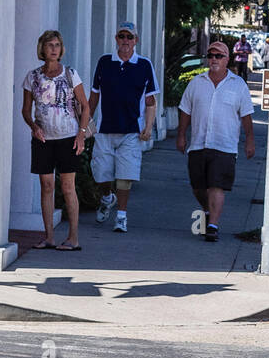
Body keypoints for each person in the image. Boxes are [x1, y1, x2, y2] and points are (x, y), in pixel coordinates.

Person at [176, 40, 255, 243]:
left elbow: (246, 116)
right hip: (198, 143)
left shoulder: (238, 85)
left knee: (216, 186)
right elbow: (185, 110)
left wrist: (249, 141)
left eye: (218, 56)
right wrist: (181, 135)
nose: (214, 59)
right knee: (198, 186)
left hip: (225, 146)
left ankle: (213, 225)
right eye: (211, 55)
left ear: (227, 59)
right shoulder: (196, 83)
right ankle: (207, 210)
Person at [20, 30, 89, 251]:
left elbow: (85, 106)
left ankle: (73, 238)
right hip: (43, 139)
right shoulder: (33, 77)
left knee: (68, 187)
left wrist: (81, 133)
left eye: (57, 45)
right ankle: (49, 236)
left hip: (68, 137)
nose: (53, 49)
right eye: (49, 45)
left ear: (61, 49)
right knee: (46, 185)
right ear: (42, 48)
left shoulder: (70, 74)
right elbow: (25, 110)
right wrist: (33, 127)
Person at [88, 21, 159, 233]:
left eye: (129, 37)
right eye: (122, 36)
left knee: (125, 175)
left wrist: (148, 126)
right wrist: (85, 125)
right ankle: (107, 198)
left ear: (136, 41)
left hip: (131, 130)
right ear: (116, 39)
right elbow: (93, 97)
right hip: (104, 129)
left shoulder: (144, 65)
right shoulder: (104, 62)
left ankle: (121, 216)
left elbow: (150, 101)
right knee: (102, 174)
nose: (125, 41)